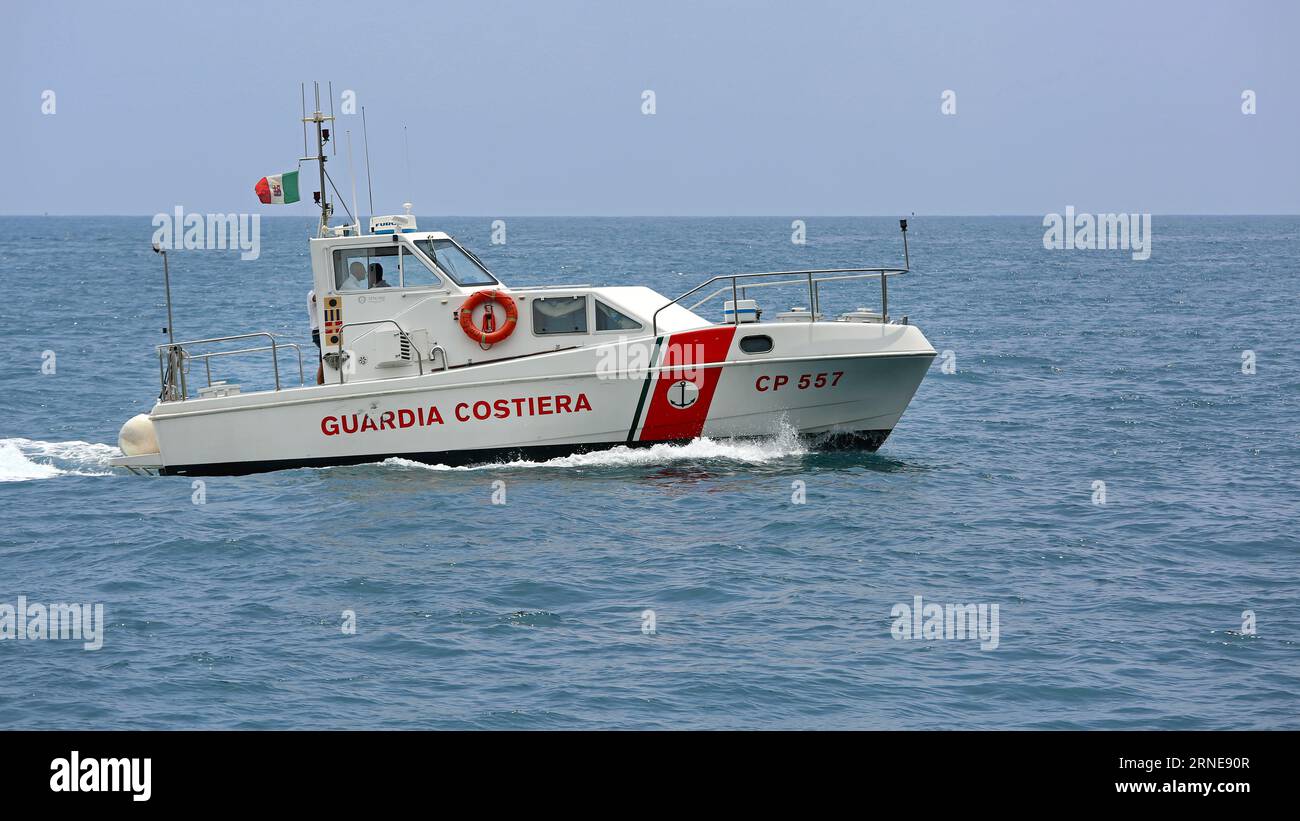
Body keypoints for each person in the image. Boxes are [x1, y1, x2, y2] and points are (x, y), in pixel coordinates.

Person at [307, 289, 324, 384]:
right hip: (318, 332)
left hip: (322, 331)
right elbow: (317, 298)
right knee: (323, 363)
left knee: (323, 361)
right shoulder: (312, 293)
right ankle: (320, 385)